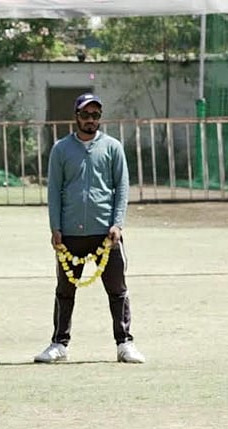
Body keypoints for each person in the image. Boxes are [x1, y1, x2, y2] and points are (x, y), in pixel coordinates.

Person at [35, 94, 145, 364]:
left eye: (95, 115)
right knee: (64, 291)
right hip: (70, 233)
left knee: (117, 290)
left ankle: (124, 343)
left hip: (105, 233)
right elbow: (54, 192)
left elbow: (122, 188)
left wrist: (117, 223)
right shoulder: (61, 149)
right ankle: (59, 343)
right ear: (76, 116)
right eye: (86, 115)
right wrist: (55, 228)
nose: (91, 120)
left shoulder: (112, 147)